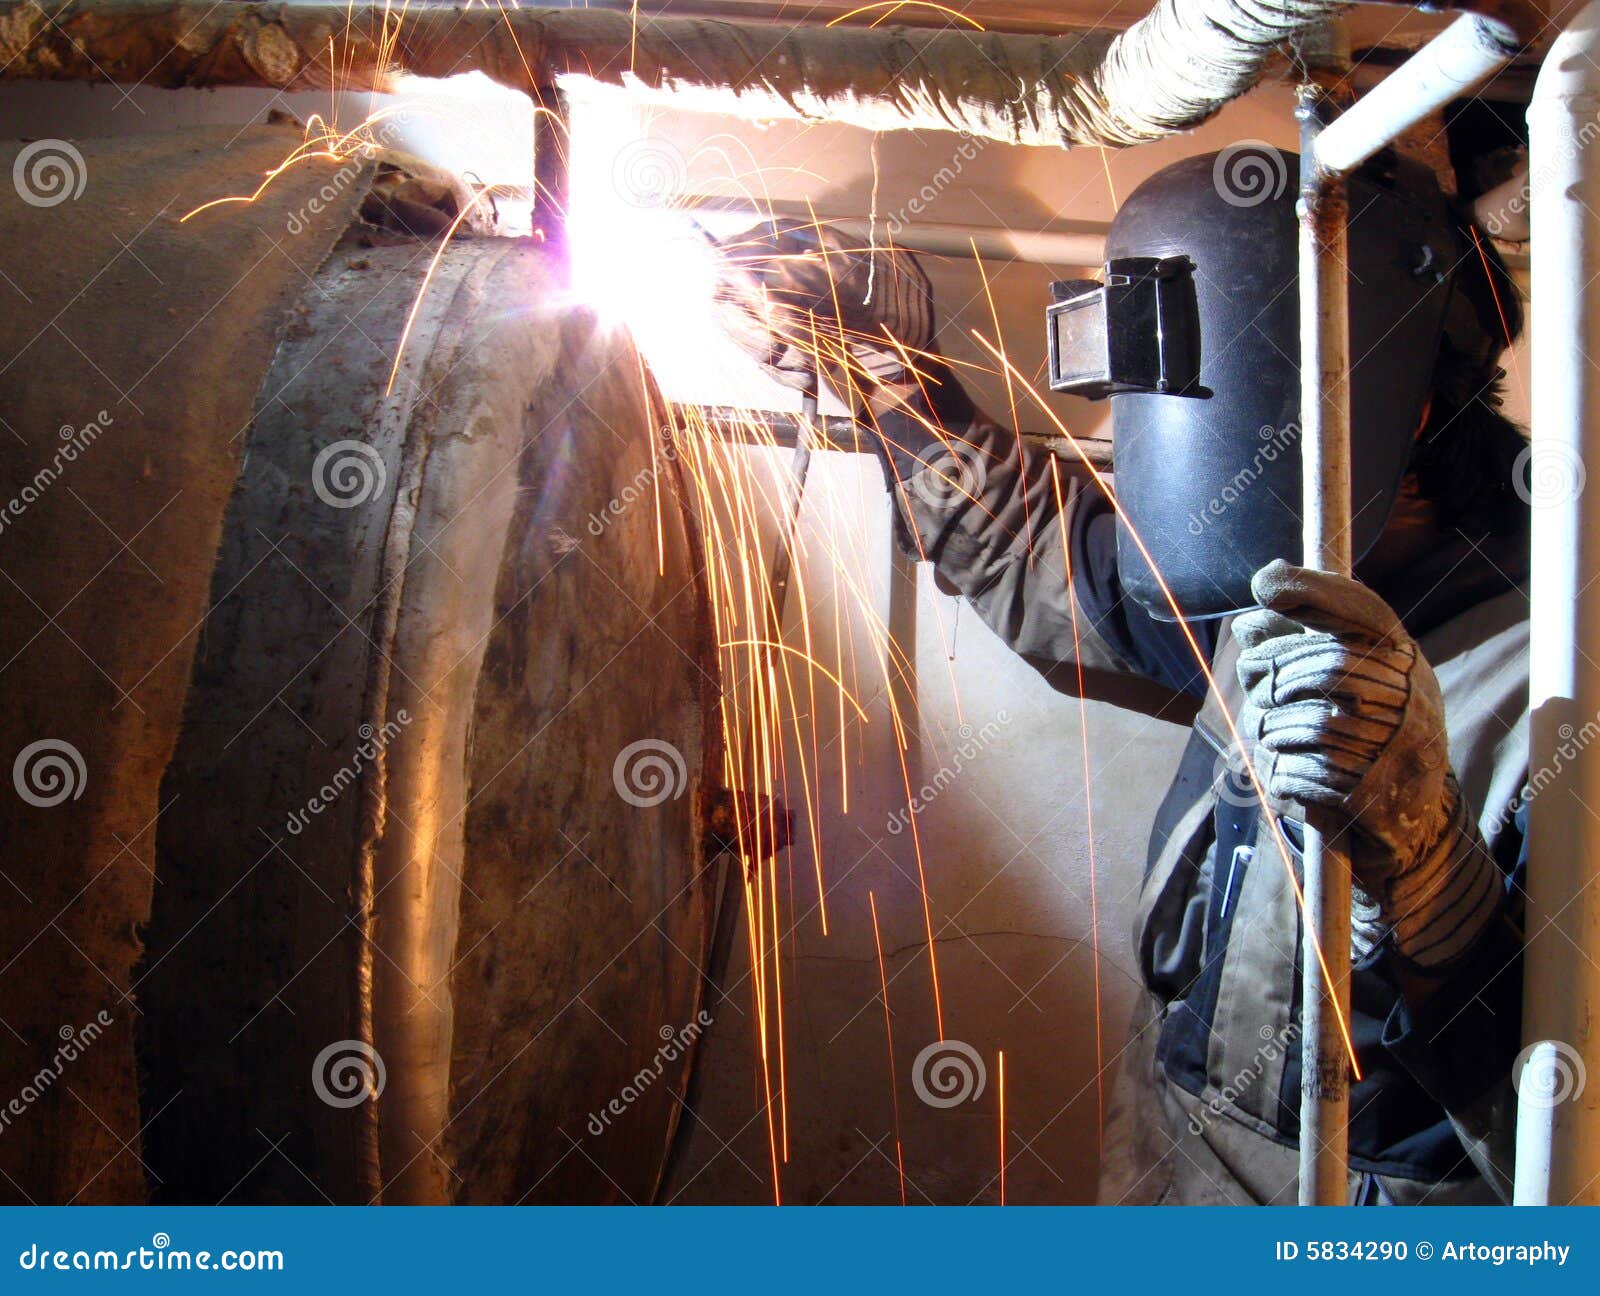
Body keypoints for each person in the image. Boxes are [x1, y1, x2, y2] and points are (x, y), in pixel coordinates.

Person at [714, 151, 1531, 1205]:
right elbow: (1058, 572)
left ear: (1394, 416)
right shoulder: (1272, 579)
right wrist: (885, 372)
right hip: (1164, 1169)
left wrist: (1430, 874)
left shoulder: (1552, 683)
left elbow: (1565, 1135)